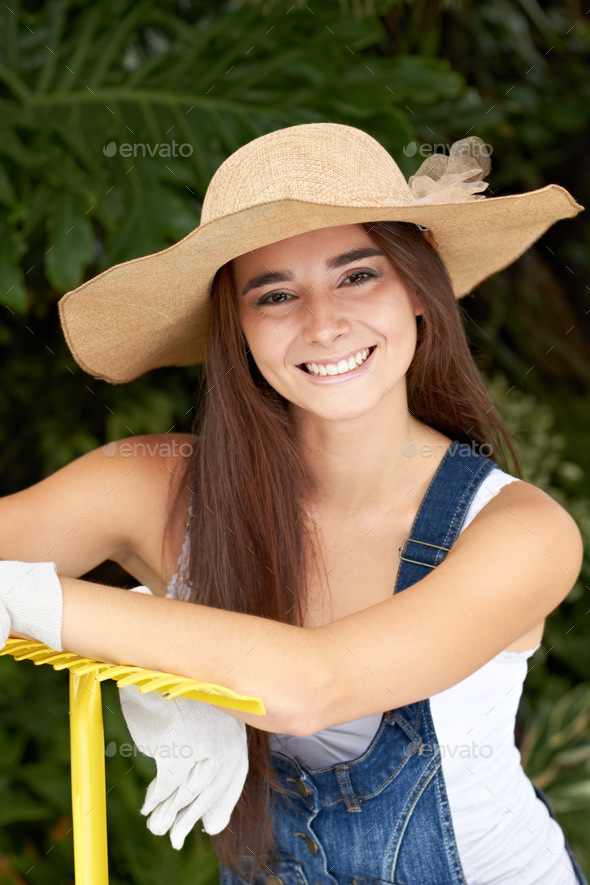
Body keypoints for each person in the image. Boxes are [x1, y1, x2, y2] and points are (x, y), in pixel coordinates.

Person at [0, 122, 586, 885]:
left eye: (358, 275)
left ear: (417, 287)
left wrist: (36, 602)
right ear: (235, 328)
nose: (323, 322)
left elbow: (310, 686)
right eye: (274, 294)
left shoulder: (519, 531)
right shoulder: (152, 489)